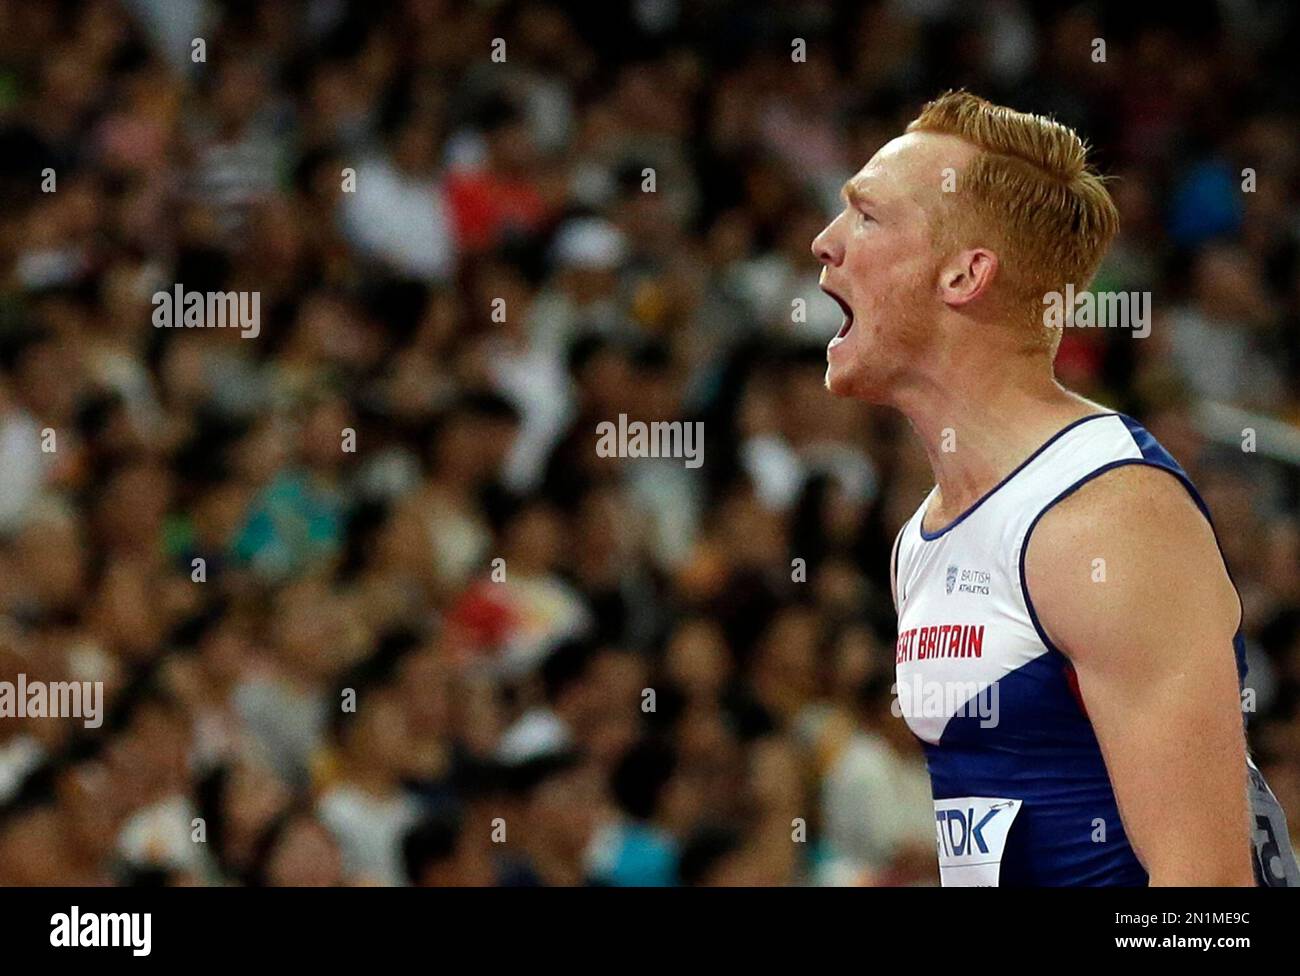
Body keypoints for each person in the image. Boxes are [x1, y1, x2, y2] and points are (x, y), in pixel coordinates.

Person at [811, 90, 1298, 887]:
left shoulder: (1106, 517)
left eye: (866, 216)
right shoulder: (923, 537)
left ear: (965, 274)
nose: (825, 242)